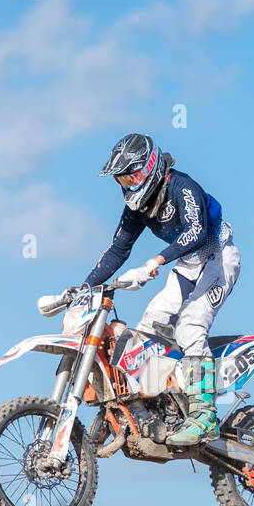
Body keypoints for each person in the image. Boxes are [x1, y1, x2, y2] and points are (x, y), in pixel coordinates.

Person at [81, 132, 240, 446]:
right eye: (123, 181)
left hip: (218, 259)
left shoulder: (183, 187)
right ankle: (159, 405)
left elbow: (197, 231)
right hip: (187, 266)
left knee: (191, 326)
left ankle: (205, 414)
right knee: (148, 325)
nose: (129, 185)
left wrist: (156, 260)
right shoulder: (136, 208)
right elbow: (117, 251)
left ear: (150, 166)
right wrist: (84, 288)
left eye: (133, 176)